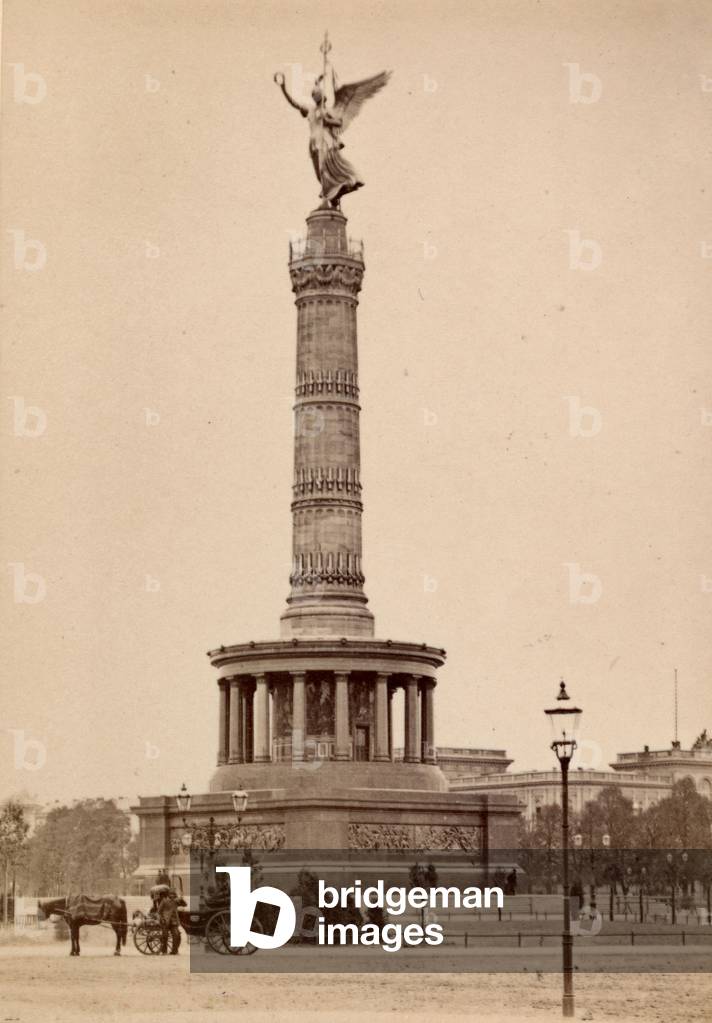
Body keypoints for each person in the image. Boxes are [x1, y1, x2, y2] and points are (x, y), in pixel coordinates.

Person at [157, 888, 182, 956]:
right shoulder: (164, 901)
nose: (172, 896)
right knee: (165, 936)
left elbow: (184, 904)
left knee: (176, 935)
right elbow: (159, 911)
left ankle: (174, 951)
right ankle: (164, 951)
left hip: (174, 921)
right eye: (171, 894)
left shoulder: (176, 901)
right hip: (165, 921)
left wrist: (181, 898)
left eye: (174, 894)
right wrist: (161, 919)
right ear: (168, 895)